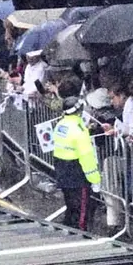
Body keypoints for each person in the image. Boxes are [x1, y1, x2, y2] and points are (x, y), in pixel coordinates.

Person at [48, 96, 102, 230]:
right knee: (81, 209)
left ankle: (68, 228)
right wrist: (95, 180)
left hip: (62, 169)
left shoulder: (61, 125)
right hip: (77, 172)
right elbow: (86, 157)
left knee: (70, 204)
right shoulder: (79, 130)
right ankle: (80, 233)